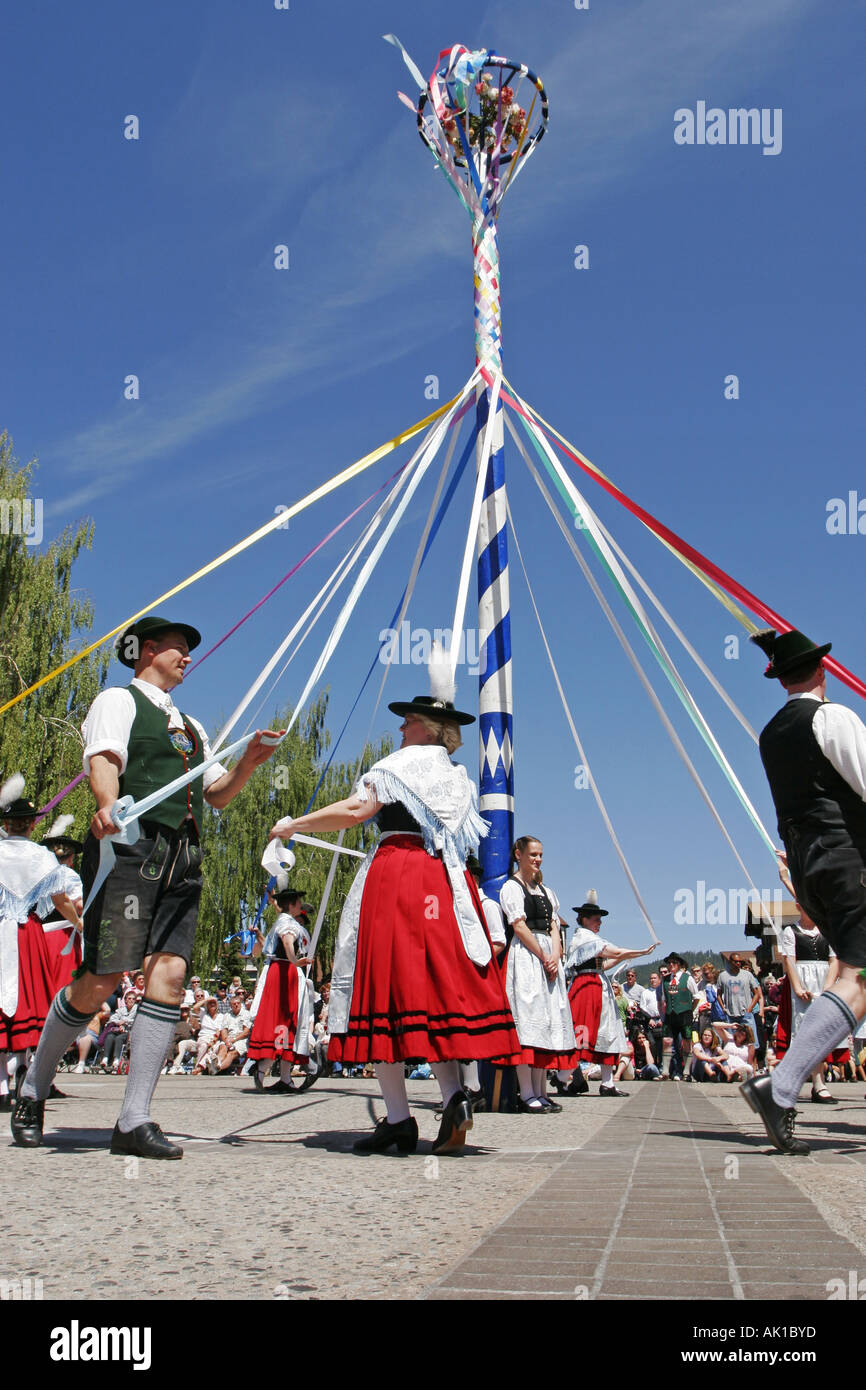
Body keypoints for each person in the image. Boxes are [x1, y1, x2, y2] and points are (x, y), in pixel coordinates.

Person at [11, 615, 284, 1158]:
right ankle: (33, 1086)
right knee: (101, 980)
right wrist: (107, 805)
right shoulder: (118, 700)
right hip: (131, 847)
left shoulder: (191, 724)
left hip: (183, 855)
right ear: (150, 650)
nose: (188, 658)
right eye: (180, 649)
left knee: (173, 975)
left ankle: (133, 1119)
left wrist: (249, 764)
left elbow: (217, 795)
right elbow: (105, 761)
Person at [269, 662, 521, 1156]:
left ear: (425, 728)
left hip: (398, 874)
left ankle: (400, 1118)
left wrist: (295, 824)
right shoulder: (458, 780)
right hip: (445, 884)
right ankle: (453, 1099)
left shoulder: (397, 765)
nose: (400, 728)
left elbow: (356, 810)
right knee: (431, 991)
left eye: (406, 721)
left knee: (382, 986)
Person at [739, 628, 866, 1156]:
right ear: (822, 671)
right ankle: (782, 1085)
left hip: (811, 870)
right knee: (859, 975)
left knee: (855, 972)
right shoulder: (831, 717)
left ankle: (784, 1084)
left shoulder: (771, 734)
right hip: (850, 862)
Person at [0, 785, 82, 1110]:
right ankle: (23, 1068)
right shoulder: (41, 856)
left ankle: (2, 1084)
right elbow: (61, 899)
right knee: (26, 1002)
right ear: (31, 825)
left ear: (6, 824)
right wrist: (78, 923)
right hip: (26, 933)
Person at [497, 836, 578, 1113]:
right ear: (518, 854)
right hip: (527, 956)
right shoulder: (512, 887)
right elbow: (518, 926)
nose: (538, 859)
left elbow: (555, 927)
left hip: (548, 957)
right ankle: (527, 1092)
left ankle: (541, 1091)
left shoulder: (546, 890)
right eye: (533, 854)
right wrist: (543, 956)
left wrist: (555, 956)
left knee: (548, 1021)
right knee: (529, 1021)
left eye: (540, 854)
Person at [565, 893, 654, 1096]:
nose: (600, 923)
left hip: (598, 984)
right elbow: (612, 952)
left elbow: (604, 963)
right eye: (596, 919)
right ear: (584, 919)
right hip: (587, 987)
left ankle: (607, 1082)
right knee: (582, 1030)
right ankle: (564, 1076)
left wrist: (628, 956)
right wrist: (639, 952)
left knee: (608, 1029)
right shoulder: (583, 938)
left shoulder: (591, 939)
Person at [247, 884, 315, 1094]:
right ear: (292, 905)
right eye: (299, 903)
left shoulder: (287, 921)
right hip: (286, 974)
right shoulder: (289, 925)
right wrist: (295, 961)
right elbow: (287, 941)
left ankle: (282, 1075)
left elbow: (284, 922)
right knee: (284, 1019)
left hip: (284, 973)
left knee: (284, 1020)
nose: (302, 906)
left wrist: (274, 900)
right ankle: (270, 1069)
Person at [776, 906, 842, 1105]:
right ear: (799, 907)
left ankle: (819, 1083)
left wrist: (828, 987)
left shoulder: (827, 930)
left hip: (824, 980)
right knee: (804, 1031)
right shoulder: (791, 931)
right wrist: (797, 987)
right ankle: (796, 1081)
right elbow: (789, 961)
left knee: (822, 1032)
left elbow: (834, 960)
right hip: (803, 984)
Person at [39, 816, 85, 995]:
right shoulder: (70, 875)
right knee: (63, 986)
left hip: (39, 934)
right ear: (71, 858)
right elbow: (79, 905)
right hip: (64, 934)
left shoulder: (39, 875)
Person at [662, 952, 697, 1080]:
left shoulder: (687, 978)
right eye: (669, 963)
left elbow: (696, 996)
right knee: (667, 1041)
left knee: (687, 1041)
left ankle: (686, 1072)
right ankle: (665, 1071)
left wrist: (689, 1009)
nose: (671, 965)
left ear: (679, 965)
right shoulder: (665, 979)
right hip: (670, 1015)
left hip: (685, 1014)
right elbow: (663, 999)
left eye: (674, 963)